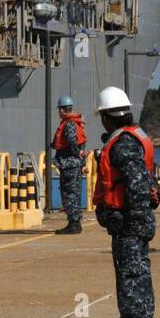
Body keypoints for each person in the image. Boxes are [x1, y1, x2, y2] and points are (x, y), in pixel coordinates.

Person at [92, 86, 160, 318]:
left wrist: (128, 220)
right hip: (136, 226)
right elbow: (148, 184)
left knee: (131, 286)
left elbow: (134, 184)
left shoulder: (122, 146)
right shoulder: (133, 139)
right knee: (140, 284)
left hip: (129, 229)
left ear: (108, 117)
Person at [52, 94, 87, 234]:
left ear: (61, 110)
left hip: (69, 164)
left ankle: (73, 223)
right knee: (76, 192)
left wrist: (73, 152)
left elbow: (72, 141)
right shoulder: (76, 122)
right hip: (75, 164)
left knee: (69, 193)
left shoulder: (68, 124)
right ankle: (76, 223)